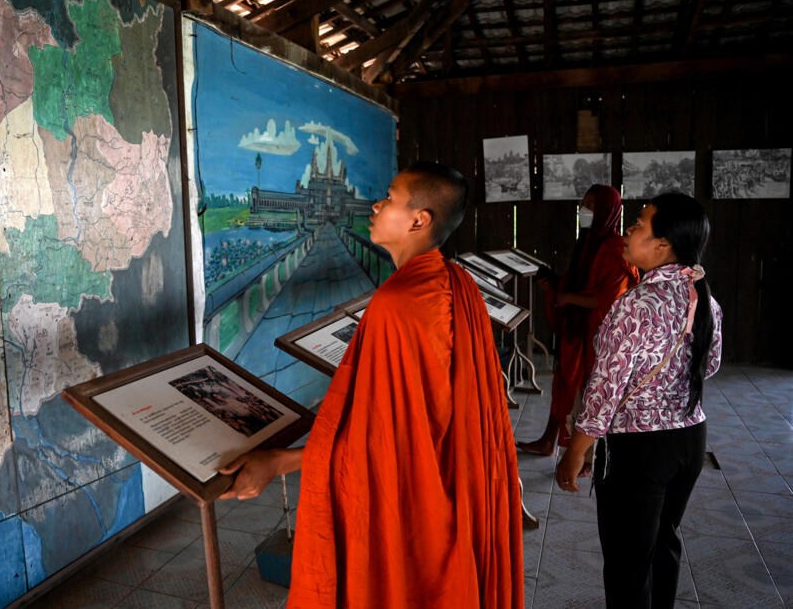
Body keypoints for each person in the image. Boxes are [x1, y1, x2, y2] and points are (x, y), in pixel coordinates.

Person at [219, 162, 524, 608]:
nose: (375, 205)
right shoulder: (454, 281)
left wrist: (278, 462)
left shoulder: (399, 303)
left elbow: (384, 443)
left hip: (421, 494)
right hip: (452, 480)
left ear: (419, 220)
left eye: (389, 197)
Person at [555, 192, 723, 609]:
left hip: (640, 448)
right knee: (663, 544)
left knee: (628, 564)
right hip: (689, 438)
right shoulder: (704, 299)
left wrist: (576, 451)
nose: (629, 231)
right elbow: (711, 364)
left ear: (662, 245)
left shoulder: (634, 305)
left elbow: (604, 390)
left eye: (639, 225)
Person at [517, 185, 638, 457]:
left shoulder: (614, 250)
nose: (584, 210)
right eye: (584, 204)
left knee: (584, 390)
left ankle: (582, 455)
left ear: (606, 211)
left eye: (591, 206)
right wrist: (555, 285)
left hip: (596, 334)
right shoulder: (588, 242)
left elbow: (607, 299)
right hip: (576, 330)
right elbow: (581, 285)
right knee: (564, 384)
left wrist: (568, 298)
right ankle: (549, 440)